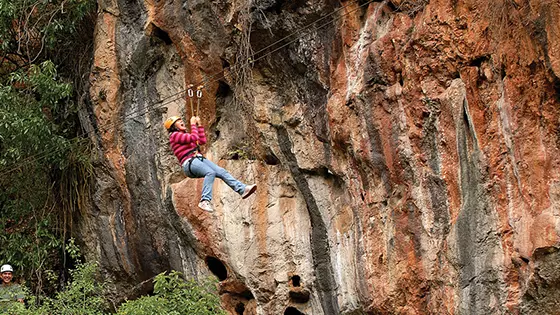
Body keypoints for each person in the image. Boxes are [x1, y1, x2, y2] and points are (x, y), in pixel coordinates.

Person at [164, 115, 257, 212]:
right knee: (210, 172)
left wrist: (199, 125)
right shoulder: (174, 135)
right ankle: (204, 201)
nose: (181, 121)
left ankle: (242, 189)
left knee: (222, 172)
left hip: (198, 159)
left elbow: (202, 141)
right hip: (189, 163)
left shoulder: (185, 135)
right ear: (173, 127)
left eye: (180, 120)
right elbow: (194, 137)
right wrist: (192, 124)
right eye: (178, 121)